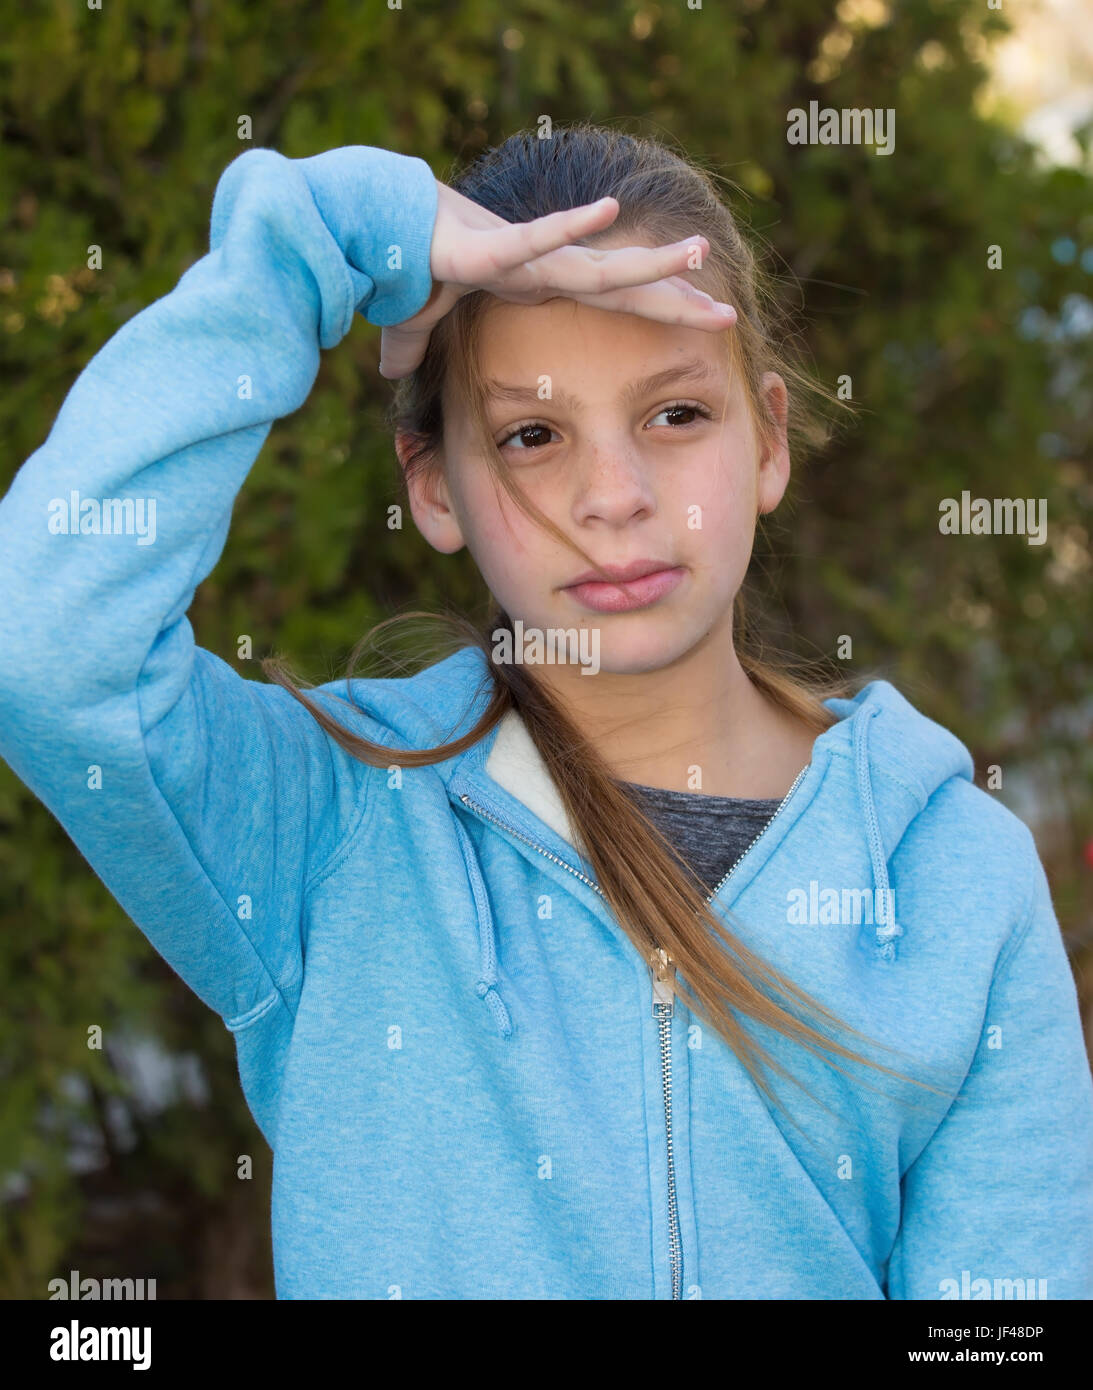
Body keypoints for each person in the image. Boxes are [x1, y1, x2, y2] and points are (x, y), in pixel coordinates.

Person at [1, 123, 1090, 1301]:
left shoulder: (953, 875)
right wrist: (326, 240)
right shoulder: (328, 825)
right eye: (532, 434)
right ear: (433, 488)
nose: (612, 498)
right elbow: (48, 644)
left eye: (675, 415)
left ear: (769, 437)